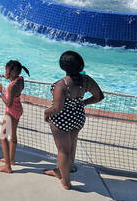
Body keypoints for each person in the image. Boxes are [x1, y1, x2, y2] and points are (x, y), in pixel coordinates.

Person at [42, 50, 104, 189]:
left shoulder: (61, 85)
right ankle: (65, 169)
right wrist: (83, 103)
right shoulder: (87, 80)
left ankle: (65, 181)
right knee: (71, 145)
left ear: (63, 67)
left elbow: (57, 108)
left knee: (63, 150)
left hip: (62, 120)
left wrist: (46, 112)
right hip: (78, 118)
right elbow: (99, 96)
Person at [0, 61, 29, 174]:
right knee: (13, 136)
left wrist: (0, 93)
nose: (5, 73)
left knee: (2, 136)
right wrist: (9, 77)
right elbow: (15, 90)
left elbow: (8, 103)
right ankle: (11, 159)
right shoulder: (20, 80)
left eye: (7, 71)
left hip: (11, 111)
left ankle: (7, 166)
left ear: (12, 72)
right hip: (18, 109)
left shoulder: (12, 86)